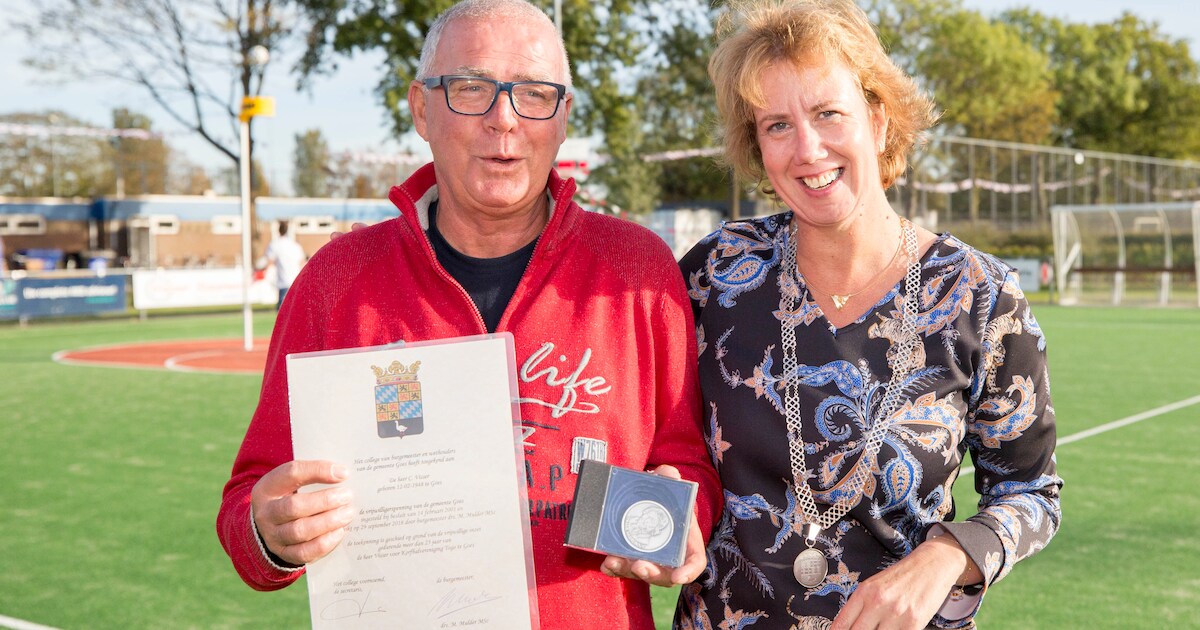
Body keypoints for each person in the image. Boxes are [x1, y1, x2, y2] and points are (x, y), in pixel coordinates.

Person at [215, 1, 721, 628]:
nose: (503, 120)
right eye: (472, 89)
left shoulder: (637, 270)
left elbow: (692, 468)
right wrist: (270, 530)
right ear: (421, 109)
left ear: (563, 117)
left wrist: (680, 517)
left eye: (534, 94)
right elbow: (248, 506)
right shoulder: (335, 282)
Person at [673, 1, 1062, 628]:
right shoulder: (715, 275)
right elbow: (658, 438)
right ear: (758, 148)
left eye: (829, 113)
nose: (807, 148)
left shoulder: (980, 296)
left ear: (878, 121)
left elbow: (1031, 494)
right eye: (777, 125)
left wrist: (948, 556)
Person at [261, 221, 306, 310]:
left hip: (284, 283)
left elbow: (269, 261)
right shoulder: (295, 245)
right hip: (296, 283)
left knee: (283, 316)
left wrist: (262, 272)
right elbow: (302, 262)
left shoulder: (275, 244)